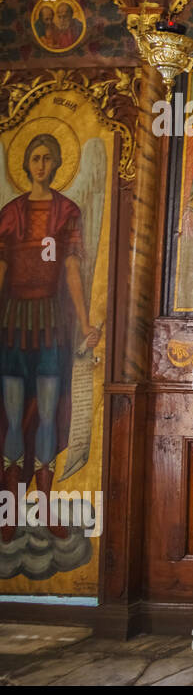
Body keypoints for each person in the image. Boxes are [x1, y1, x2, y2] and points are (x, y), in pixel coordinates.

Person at [0, 135, 100, 541]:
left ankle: (42, 509)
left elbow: (72, 270)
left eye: (47, 158)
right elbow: (3, 269)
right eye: (34, 158)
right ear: (25, 164)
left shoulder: (66, 211)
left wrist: (87, 322)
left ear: (57, 164)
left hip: (51, 324)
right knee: (9, 413)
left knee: (45, 412)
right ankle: (7, 512)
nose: (41, 164)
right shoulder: (10, 213)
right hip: (12, 322)